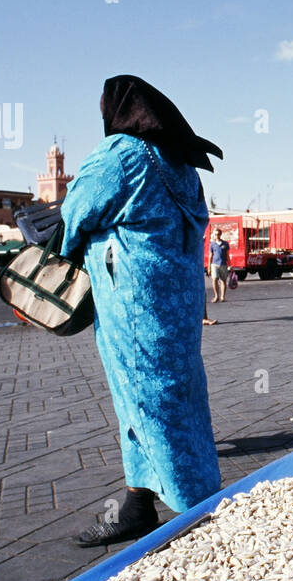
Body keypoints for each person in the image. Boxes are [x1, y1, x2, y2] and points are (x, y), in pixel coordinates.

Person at [61, 74, 225, 546]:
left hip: (131, 298)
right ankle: (140, 502)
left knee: (146, 396)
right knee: (174, 391)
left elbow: (77, 213)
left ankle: (195, 511)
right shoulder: (181, 163)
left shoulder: (120, 155)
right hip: (177, 300)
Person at [209, 228, 230, 304]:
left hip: (223, 264)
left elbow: (227, 255)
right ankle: (216, 296)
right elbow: (210, 256)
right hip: (214, 264)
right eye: (215, 234)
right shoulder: (212, 244)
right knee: (214, 279)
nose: (216, 235)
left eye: (218, 234)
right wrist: (209, 267)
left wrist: (230, 265)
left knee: (223, 280)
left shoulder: (225, 243)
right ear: (214, 235)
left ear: (220, 234)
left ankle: (222, 297)